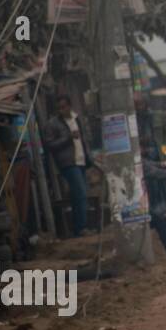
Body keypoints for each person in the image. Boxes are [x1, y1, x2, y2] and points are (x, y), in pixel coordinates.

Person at [42, 93, 93, 238]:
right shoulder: (53, 124)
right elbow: (50, 144)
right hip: (68, 163)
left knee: (79, 196)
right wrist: (68, 138)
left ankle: (79, 228)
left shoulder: (77, 119)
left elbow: (84, 139)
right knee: (81, 193)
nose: (61, 110)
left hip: (82, 160)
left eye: (64, 107)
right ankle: (81, 228)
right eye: (59, 108)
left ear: (69, 106)